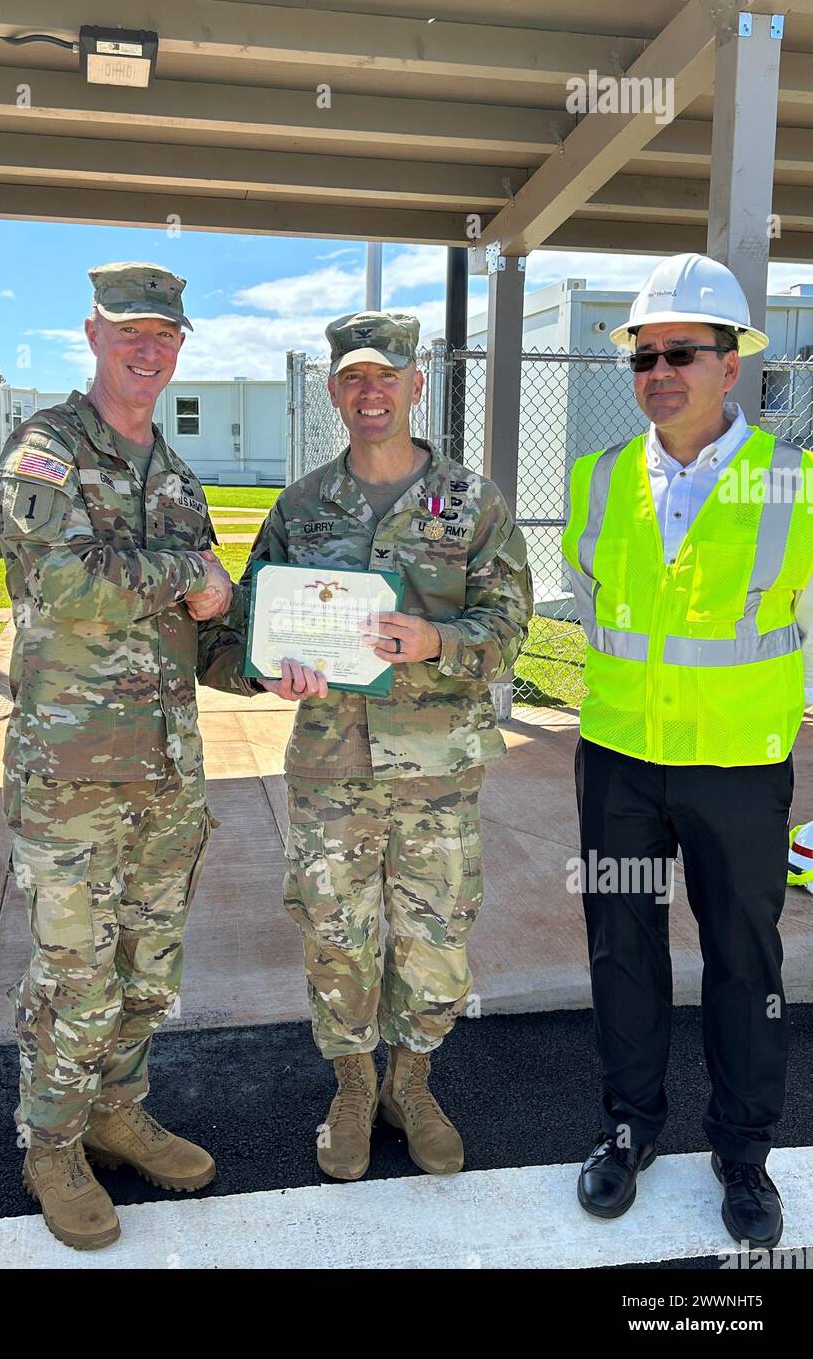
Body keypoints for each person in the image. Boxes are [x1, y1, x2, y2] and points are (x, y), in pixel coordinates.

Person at [0, 261, 250, 1250]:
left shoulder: (176, 477)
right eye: (133, 330)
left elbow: (208, 633)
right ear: (93, 333)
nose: (150, 348)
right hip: (73, 781)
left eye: (167, 335)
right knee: (73, 975)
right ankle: (51, 1141)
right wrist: (191, 573)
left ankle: (117, 1110)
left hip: (167, 773)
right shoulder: (45, 448)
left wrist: (294, 656)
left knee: (146, 968)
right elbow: (58, 577)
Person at [234, 311, 533, 1181]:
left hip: (437, 764)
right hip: (331, 764)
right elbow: (257, 620)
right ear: (335, 390)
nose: (370, 393)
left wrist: (436, 642)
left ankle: (413, 1081)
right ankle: (354, 1086)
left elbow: (508, 620)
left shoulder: (469, 500)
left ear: (414, 385)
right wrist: (270, 671)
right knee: (335, 931)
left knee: (435, 934)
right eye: (353, 378)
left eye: (386, 376)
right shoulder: (301, 505)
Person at [563, 252, 813, 1249]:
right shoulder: (597, 480)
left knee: (743, 958)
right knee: (621, 949)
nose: (657, 370)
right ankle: (629, 1128)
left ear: (732, 362)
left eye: (681, 351)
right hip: (621, 759)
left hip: (740, 767)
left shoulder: (793, 486)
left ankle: (743, 1152)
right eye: (642, 353)